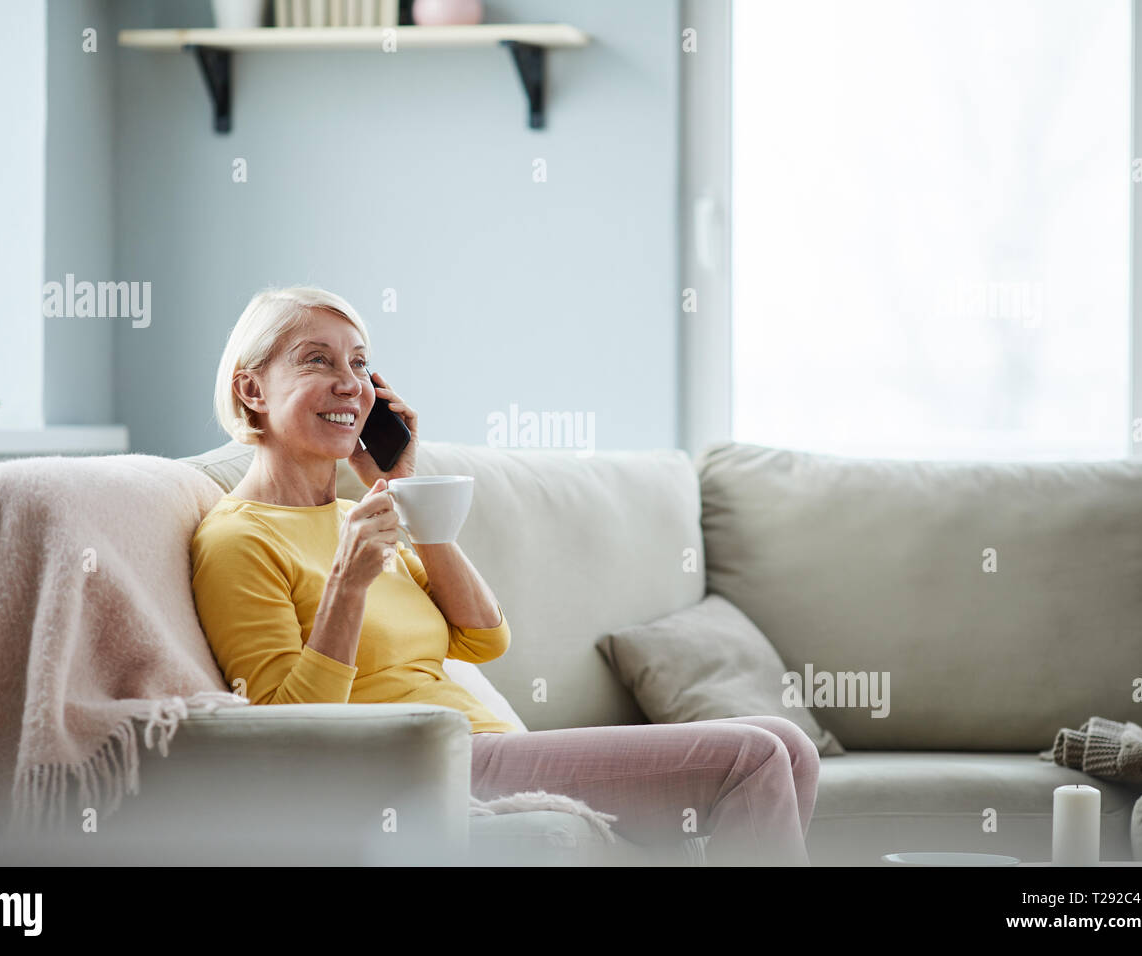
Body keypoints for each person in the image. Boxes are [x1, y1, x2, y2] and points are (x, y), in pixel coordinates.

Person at [191, 285, 820, 866]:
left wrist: (408, 486)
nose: (350, 384)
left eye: (359, 364)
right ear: (252, 391)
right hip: (415, 766)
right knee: (755, 754)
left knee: (788, 744)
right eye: (317, 361)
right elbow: (282, 732)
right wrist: (346, 587)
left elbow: (484, 637)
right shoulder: (237, 539)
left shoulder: (359, 516)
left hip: (481, 744)